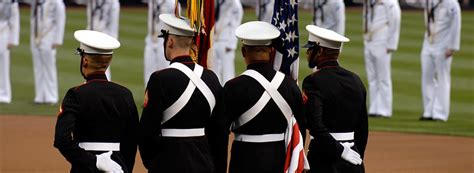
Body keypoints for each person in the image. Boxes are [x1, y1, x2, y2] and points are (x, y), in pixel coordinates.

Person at [208, 21, 306, 173]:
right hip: (279, 160)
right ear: (271, 51)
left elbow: (220, 133)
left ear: (243, 52)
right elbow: (300, 128)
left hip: (244, 159)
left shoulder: (233, 87)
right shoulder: (290, 85)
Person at [138, 14, 222, 173]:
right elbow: (219, 132)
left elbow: (147, 131)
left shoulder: (159, 79)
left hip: (167, 162)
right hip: (203, 162)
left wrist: (154, 163)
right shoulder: (211, 78)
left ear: (169, 41)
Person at [54, 30, 139, 173]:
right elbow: (132, 140)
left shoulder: (76, 94)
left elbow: (61, 140)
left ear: (85, 60)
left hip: (85, 168)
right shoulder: (125, 94)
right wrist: (123, 168)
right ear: (109, 61)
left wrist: (93, 161)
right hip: (118, 167)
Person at [302, 25, 368, 173]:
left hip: (323, 158)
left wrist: (341, 152)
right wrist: (355, 156)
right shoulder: (356, 80)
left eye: (310, 49)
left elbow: (315, 125)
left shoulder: (313, 81)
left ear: (320, 51)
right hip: (353, 156)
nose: (307, 52)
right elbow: (362, 127)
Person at [406, 0, 461, 122]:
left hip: (443, 45)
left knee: (443, 79)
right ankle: (428, 111)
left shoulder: (451, 3)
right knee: (427, 77)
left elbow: (456, 24)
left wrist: (452, 46)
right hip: (428, 43)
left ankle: (440, 113)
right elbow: (412, 2)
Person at [363, 0, 401, 118]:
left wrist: (392, 43)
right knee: (372, 77)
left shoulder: (390, 2)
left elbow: (395, 19)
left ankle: (384, 109)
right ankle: (374, 107)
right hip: (369, 39)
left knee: (383, 77)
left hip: (382, 39)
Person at [30, 0, 65, 104]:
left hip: (49, 36)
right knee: (38, 67)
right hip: (36, 37)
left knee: (49, 67)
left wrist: (58, 39)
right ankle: (40, 96)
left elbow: (60, 20)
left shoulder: (56, 2)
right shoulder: (36, 2)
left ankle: (51, 96)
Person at [76, 0, 120, 80]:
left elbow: (114, 25)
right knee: (87, 67)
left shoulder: (113, 2)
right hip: (89, 36)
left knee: (103, 68)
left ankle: (104, 89)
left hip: (104, 38)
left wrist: (111, 43)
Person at [210, 0, 243, 84]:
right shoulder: (219, 1)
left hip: (226, 41)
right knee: (214, 71)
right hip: (215, 40)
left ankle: (229, 95)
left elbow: (236, 24)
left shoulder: (234, 3)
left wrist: (231, 44)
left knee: (227, 73)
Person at [143, 0, 174, 86]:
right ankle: (148, 98)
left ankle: (164, 98)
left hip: (164, 40)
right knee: (148, 72)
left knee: (164, 72)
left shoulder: (172, 3)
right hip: (150, 39)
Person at [0, 0, 20, 104]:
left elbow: (14, 19)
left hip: (4, 34)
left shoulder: (11, 2)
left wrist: (13, 39)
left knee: (3, 65)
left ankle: (5, 95)